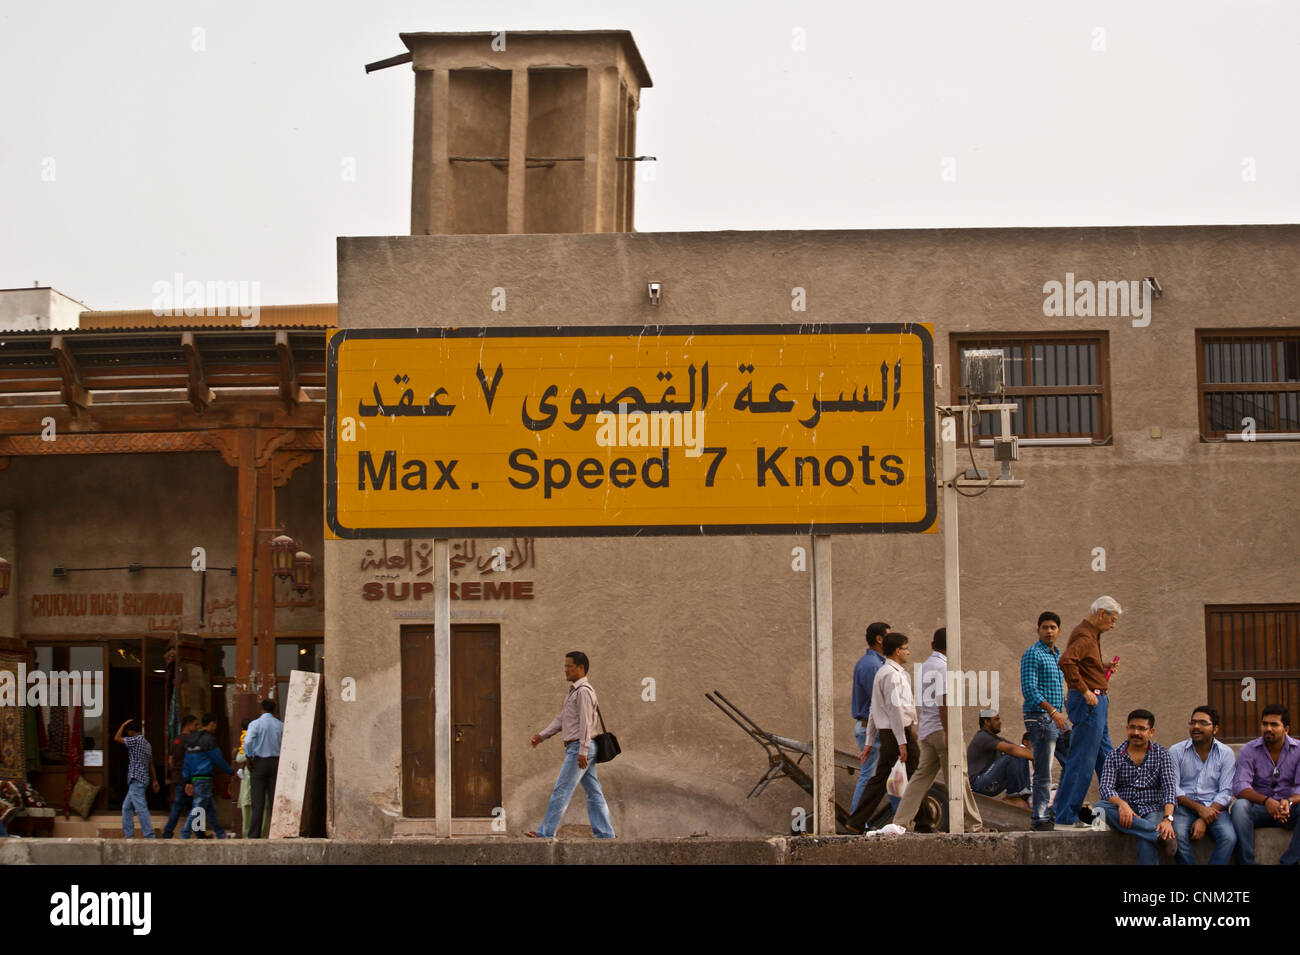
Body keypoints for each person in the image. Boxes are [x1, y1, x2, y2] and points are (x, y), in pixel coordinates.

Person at [891, 628, 983, 833]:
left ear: (933, 645)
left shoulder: (924, 667)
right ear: (954, 647)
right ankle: (972, 825)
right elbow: (945, 701)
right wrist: (950, 732)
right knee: (959, 776)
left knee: (921, 778)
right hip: (943, 730)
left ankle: (900, 821)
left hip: (927, 730)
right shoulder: (946, 668)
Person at [525, 652, 615, 839]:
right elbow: (562, 719)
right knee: (593, 792)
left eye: (569, 666)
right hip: (582, 748)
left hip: (580, 748)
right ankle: (606, 835)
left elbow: (586, 723)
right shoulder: (575, 692)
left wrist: (582, 750)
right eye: (565, 666)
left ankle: (545, 833)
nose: (565, 670)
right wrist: (542, 736)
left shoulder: (583, 691)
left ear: (580, 668)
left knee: (562, 789)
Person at [1052, 596, 1123, 827]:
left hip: (1096, 703)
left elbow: (1082, 664)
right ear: (1101, 613)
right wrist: (1084, 691)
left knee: (1107, 760)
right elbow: (1066, 661)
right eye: (1112, 619)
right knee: (1082, 760)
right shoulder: (1085, 636)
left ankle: (1117, 809)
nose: (1113, 625)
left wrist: (1102, 667)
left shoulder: (1091, 634)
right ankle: (1066, 816)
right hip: (1090, 704)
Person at [845, 632, 918, 832]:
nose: (908, 652)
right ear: (897, 651)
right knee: (914, 774)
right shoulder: (891, 675)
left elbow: (874, 710)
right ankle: (923, 821)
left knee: (884, 776)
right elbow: (893, 710)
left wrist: (869, 742)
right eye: (905, 648)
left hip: (892, 732)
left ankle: (856, 821)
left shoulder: (889, 673)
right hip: (897, 732)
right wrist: (902, 741)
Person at [1097, 708, 1178, 864]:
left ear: (1151, 731)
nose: (1136, 732)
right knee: (1100, 808)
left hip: (1152, 808)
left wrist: (1167, 819)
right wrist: (1122, 804)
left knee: (1144, 840)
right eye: (1132, 727)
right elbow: (1105, 788)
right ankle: (1158, 836)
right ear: (1127, 729)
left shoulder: (1162, 754)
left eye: (1142, 729)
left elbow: (1169, 789)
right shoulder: (1114, 755)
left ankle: (1148, 832)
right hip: (1124, 810)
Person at [1229, 703, 1300, 865]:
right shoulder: (1249, 750)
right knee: (1240, 807)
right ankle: (1246, 862)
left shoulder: (1298, 750)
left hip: (1288, 809)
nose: (1268, 728)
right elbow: (1240, 786)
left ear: (1286, 729)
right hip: (1259, 809)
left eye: (1274, 724)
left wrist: (1289, 801)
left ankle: (1290, 862)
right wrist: (1266, 801)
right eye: (1265, 724)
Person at [1020, 610, 1071, 830]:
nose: (1049, 631)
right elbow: (1030, 690)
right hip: (1040, 718)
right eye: (1045, 627)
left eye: (1053, 627)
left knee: (1073, 763)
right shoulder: (1033, 654)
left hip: (1056, 719)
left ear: (1059, 631)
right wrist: (1053, 711)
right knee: (1043, 770)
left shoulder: (1057, 655)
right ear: (1038, 630)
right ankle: (1039, 818)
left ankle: (1058, 811)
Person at [1168, 705, 1236, 865]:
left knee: (1229, 838)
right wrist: (1200, 809)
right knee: (1177, 834)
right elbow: (1173, 788)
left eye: (1203, 723)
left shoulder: (1226, 753)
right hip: (1184, 808)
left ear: (1215, 729)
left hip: (1215, 809)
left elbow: (1226, 791)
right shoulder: (1176, 751)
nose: (1196, 727)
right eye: (1193, 722)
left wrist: (1204, 819)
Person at [849, 621, 890, 814]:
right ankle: (856, 820)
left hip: (871, 727)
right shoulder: (872, 666)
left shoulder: (875, 663)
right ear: (880, 639)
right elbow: (879, 702)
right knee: (870, 775)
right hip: (871, 728)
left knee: (885, 775)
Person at [181, 712, 235, 839]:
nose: (215, 727)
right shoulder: (209, 740)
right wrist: (230, 771)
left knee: (210, 808)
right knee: (199, 805)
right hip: (204, 777)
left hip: (194, 777)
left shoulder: (192, 739)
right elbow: (217, 759)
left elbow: (187, 761)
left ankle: (220, 834)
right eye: (215, 724)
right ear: (211, 724)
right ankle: (185, 832)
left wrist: (187, 779)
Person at [967, 710, 1032, 805]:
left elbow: (1018, 749)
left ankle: (1023, 793)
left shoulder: (996, 739)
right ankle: (1013, 795)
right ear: (986, 722)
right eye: (996, 719)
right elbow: (1012, 750)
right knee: (1013, 755)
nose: (1000, 722)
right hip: (977, 785)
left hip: (990, 784)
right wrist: (1036, 758)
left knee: (1020, 753)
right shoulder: (982, 737)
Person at [242, 698, 283, 839]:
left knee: (257, 803)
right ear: (275, 710)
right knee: (275, 802)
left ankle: (254, 836)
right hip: (276, 763)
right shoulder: (281, 725)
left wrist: (249, 756)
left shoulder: (255, 724)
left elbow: (247, 742)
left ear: (261, 709)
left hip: (259, 763)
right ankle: (276, 834)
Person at [113, 718, 159, 838]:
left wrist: (122, 725)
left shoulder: (135, 740)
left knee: (140, 808)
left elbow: (116, 738)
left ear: (130, 731)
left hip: (136, 778)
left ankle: (149, 836)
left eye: (127, 731)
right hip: (143, 778)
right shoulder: (147, 743)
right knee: (126, 807)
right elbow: (151, 764)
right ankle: (129, 835)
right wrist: (154, 780)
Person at [161, 714, 198, 838]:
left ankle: (199, 831)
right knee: (180, 805)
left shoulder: (176, 740)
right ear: (188, 725)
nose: (196, 727)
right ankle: (168, 831)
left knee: (192, 805)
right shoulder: (190, 740)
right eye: (195, 724)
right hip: (185, 778)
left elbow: (170, 760)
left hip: (177, 776)